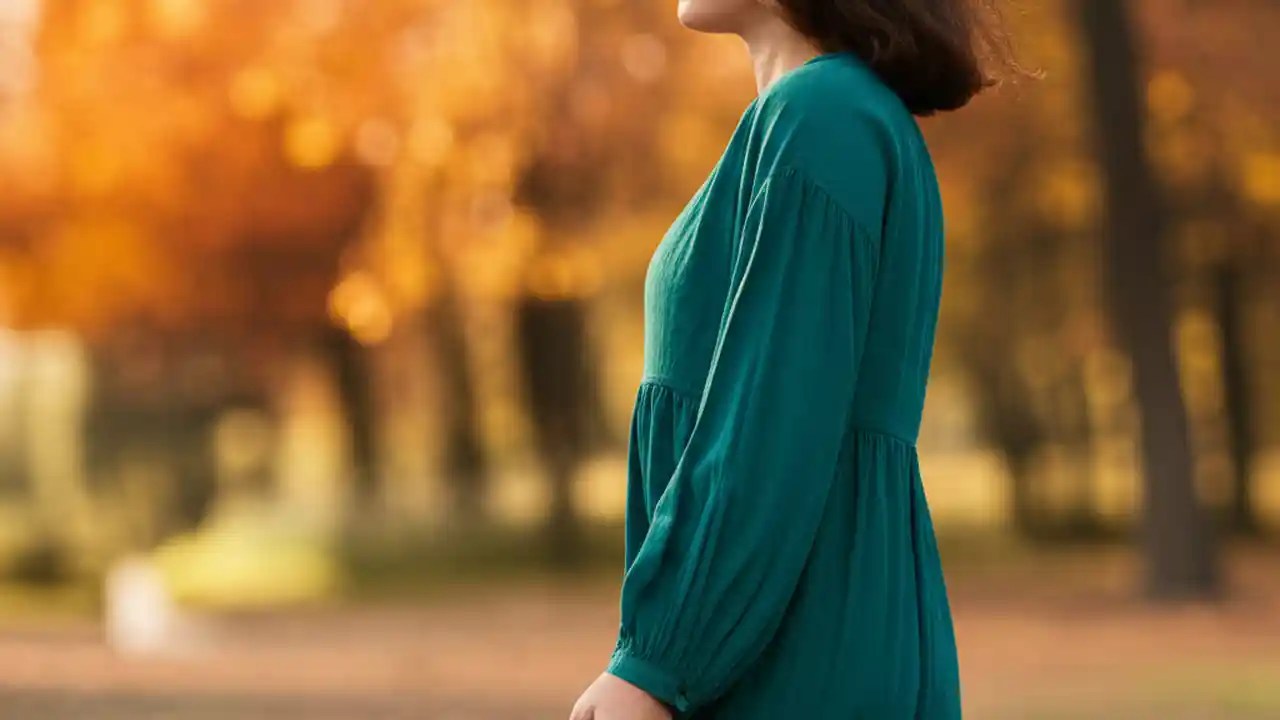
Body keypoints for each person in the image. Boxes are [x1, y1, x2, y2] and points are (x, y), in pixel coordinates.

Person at [571, 1, 1013, 717]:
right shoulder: (825, 119)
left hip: (799, 656)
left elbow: (770, 426)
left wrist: (660, 661)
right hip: (794, 640)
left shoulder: (825, 117)